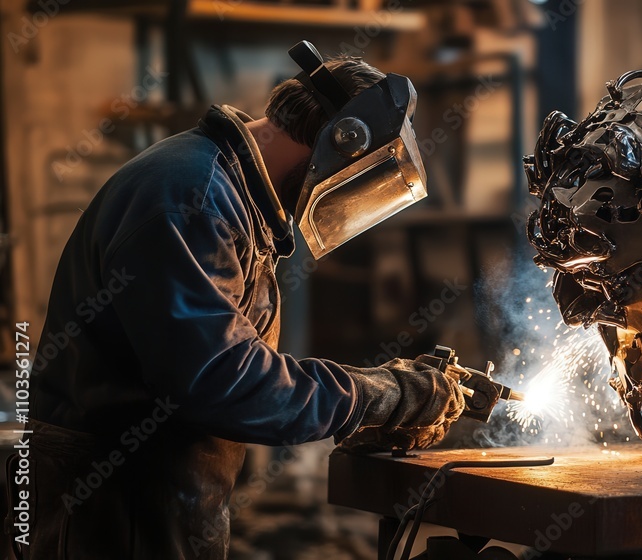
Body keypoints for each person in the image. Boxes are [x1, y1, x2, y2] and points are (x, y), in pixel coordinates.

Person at [16, 41, 466, 559]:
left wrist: (359, 408)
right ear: (342, 140)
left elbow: (233, 368)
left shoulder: (232, 193)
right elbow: (219, 379)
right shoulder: (194, 200)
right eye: (356, 179)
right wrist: (371, 397)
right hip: (113, 512)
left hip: (156, 500)